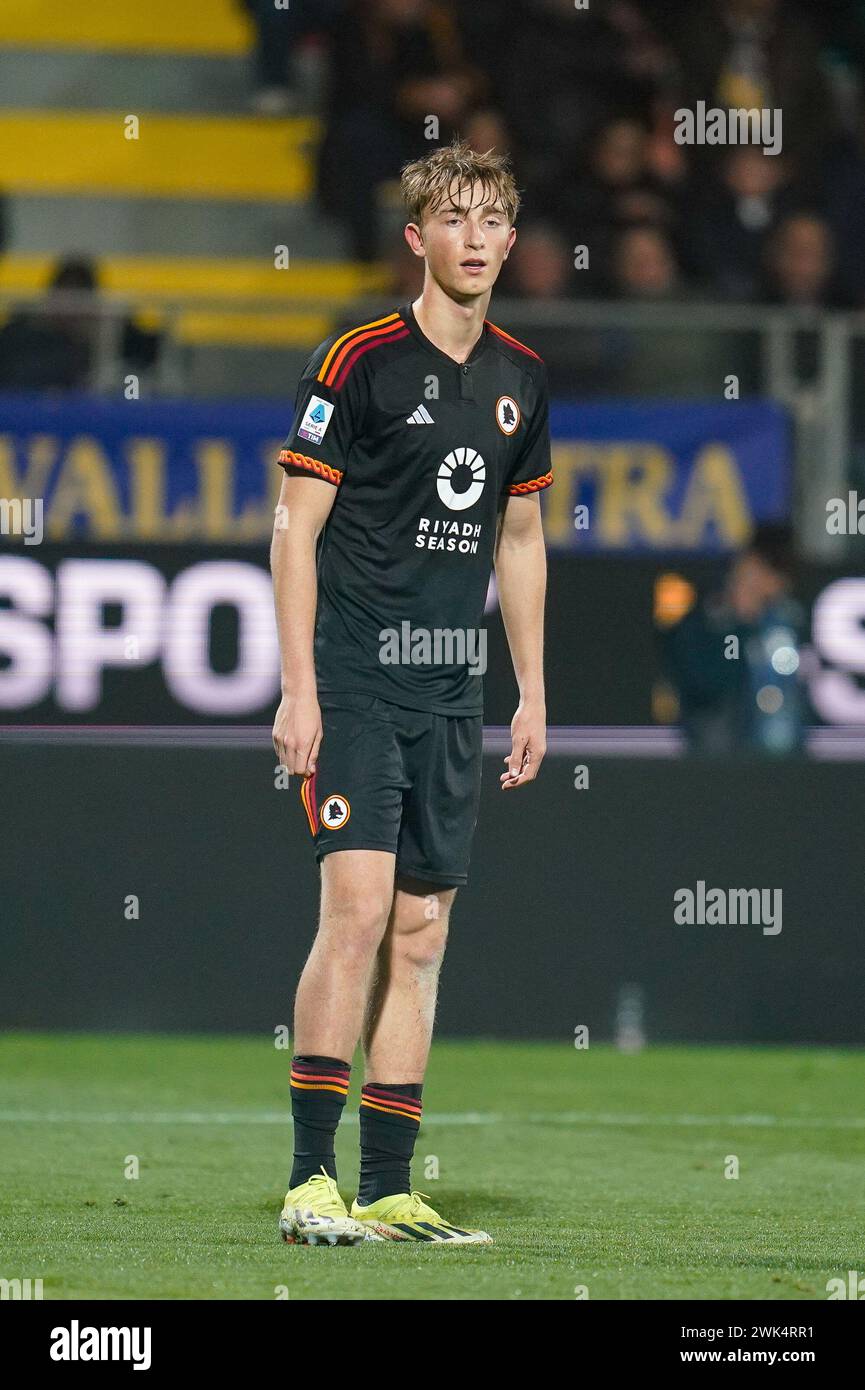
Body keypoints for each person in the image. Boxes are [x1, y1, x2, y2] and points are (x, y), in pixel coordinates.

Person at [271, 139, 551, 1245]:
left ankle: (386, 1183)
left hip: (453, 690)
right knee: (358, 912)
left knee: (424, 932)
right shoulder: (359, 361)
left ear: (511, 240)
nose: (475, 241)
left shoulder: (520, 378)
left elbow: (520, 536)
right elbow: (295, 531)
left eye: (493, 222)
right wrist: (298, 688)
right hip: (354, 681)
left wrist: (530, 692)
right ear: (417, 238)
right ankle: (308, 1180)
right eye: (456, 220)